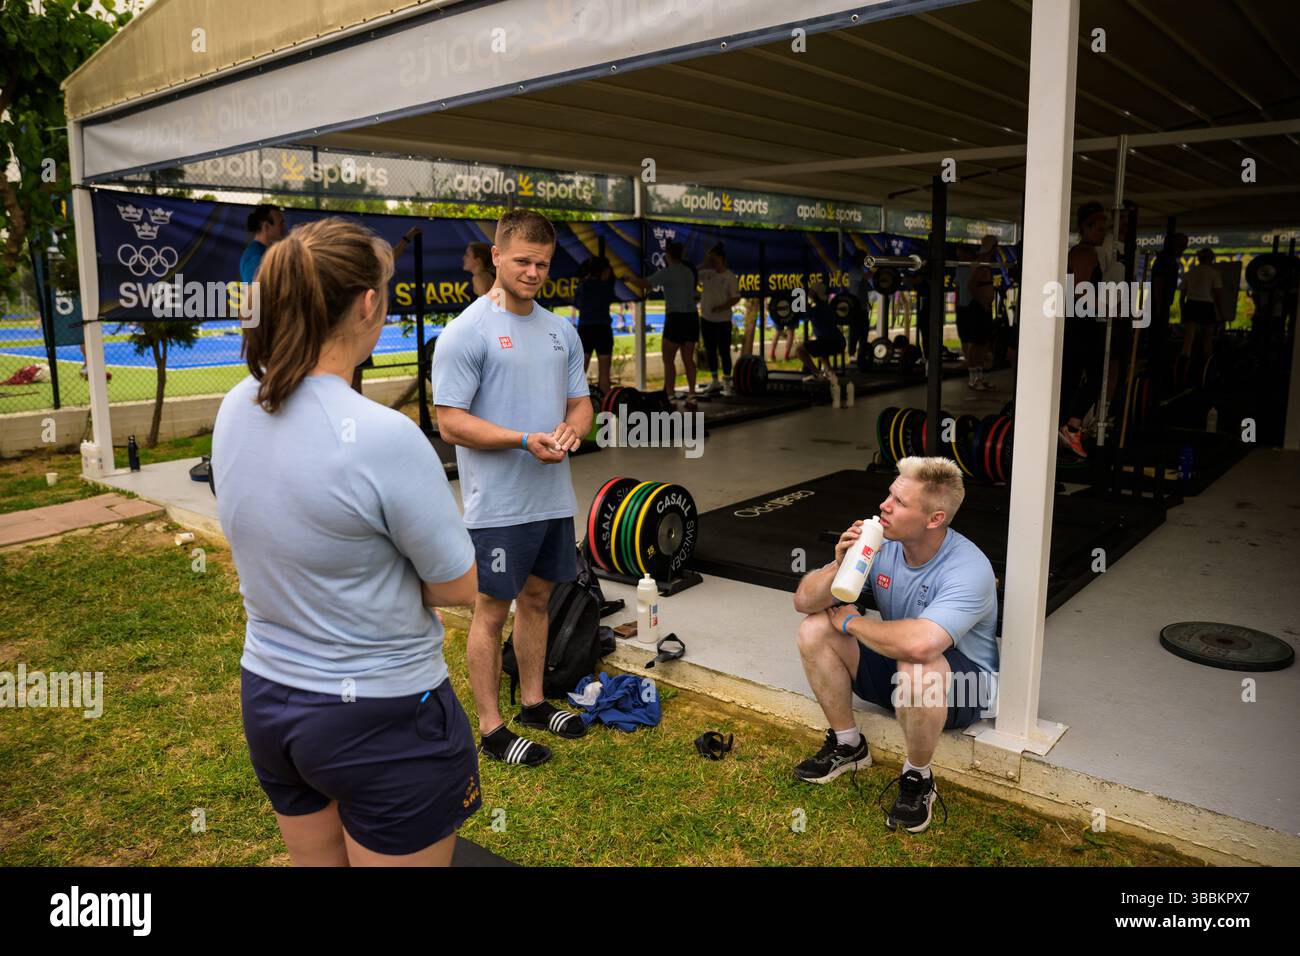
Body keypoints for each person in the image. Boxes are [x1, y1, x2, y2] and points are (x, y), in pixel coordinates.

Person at [213, 217, 481, 866]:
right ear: (368, 305)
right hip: (383, 719)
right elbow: (458, 586)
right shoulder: (381, 436)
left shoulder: (234, 406)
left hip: (271, 701)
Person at [431, 208, 594, 768]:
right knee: (491, 609)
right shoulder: (465, 333)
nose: (532, 272)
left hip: (551, 497)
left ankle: (531, 703)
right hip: (498, 505)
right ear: (496, 256)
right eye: (521, 260)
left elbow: (581, 401)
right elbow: (448, 421)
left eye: (542, 263)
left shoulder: (559, 330)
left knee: (540, 599)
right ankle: (491, 727)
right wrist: (524, 439)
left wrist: (576, 426)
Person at [791, 457, 999, 833]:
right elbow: (804, 601)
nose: (885, 505)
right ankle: (849, 746)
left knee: (917, 664)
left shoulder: (969, 567)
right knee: (814, 628)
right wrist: (839, 566)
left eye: (900, 503)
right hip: (903, 666)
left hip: (962, 689)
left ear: (934, 519)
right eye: (890, 494)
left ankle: (917, 776)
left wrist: (853, 622)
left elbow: (921, 645)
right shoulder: (883, 543)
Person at [1058, 203, 1110, 459]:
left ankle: (1062, 428)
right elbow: (1079, 293)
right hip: (1080, 322)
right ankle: (1072, 427)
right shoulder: (1084, 253)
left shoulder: (1086, 252)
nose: (1103, 233)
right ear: (1085, 228)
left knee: (1070, 378)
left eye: (1105, 229)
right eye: (1099, 229)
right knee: (1096, 376)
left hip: (1077, 321)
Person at [624, 241, 700, 410]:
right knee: (688, 359)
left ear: (668, 255)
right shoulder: (688, 272)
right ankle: (692, 396)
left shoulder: (668, 272)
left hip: (676, 318)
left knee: (668, 360)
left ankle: (671, 397)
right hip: (691, 317)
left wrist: (629, 278)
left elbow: (644, 284)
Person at [351, 225, 421, 394]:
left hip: (358, 333)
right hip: (353, 332)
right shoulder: (355, 274)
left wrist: (407, 237)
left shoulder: (373, 272)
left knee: (355, 377)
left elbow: (391, 258)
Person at [697, 243, 741, 396]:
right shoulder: (707, 273)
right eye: (710, 260)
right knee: (710, 351)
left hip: (722, 321)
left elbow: (736, 298)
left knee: (724, 351)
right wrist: (705, 264)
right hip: (706, 319)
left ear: (722, 259)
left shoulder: (729, 277)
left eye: (714, 259)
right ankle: (715, 380)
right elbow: (692, 274)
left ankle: (727, 384)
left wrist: (721, 307)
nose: (712, 263)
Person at [572, 255, 618, 393]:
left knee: (579, 373)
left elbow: (578, 304)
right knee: (604, 374)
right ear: (603, 271)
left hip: (585, 330)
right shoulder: (607, 288)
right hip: (602, 330)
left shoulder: (582, 287)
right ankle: (604, 407)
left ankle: (573, 406)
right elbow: (611, 296)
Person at [958, 236, 998, 391]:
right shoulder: (981, 264)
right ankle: (973, 378)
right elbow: (971, 286)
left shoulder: (985, 263)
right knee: (976, 344)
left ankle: (979, 376)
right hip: (978, 308)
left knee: (982, 343)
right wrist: (982, 301)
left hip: (983, 307)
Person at [1179, 248, 1225, 362]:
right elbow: (1218, 297)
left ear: (1198, 259)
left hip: (1191, 304)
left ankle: (1183, 364)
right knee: (1207, 339)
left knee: (1188, 339)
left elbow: (1181, 298)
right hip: (1206, 306)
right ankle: (1207, 365)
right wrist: (1222, 315)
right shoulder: (1214, 274)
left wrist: (1183, 313)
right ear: (1211, 259)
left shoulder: (1189, 273)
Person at [794, 281, 845, 380]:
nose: (809, 293)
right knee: (819, 349)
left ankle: (817, 373)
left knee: (799, 350)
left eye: (811, 292)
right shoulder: (826, 307)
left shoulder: (816, 310)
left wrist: (800, 301)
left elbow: (801, 316)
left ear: (814, 294)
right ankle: (829, 372)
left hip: (831, 342)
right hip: (839, 341)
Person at [239, 204, 285, 284]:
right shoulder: (256, 256)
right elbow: (254, 295)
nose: (283, 227)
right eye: (280, 224)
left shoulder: (264, 252)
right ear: (266, 226)